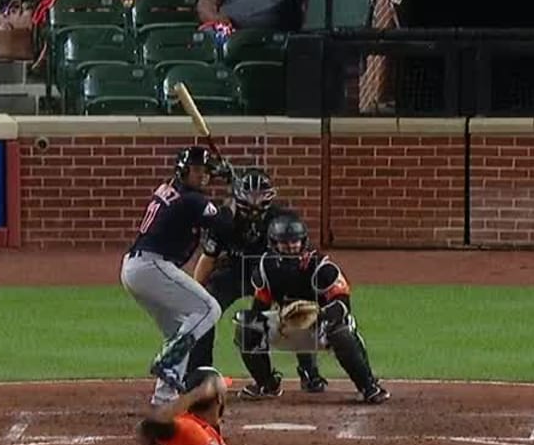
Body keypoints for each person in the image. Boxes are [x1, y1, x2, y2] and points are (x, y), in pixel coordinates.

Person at [187, 168, 327, 394]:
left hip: (272, 274)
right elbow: (209, 258)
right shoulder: (223, 219)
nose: (254, 204)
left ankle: (309, 371)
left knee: (296, 310)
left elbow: (304, 258)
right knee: (204, 310)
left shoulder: (282, 220)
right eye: (250, 198)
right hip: (234, 273)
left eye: (259, 197)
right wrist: (195, 292)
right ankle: (199, 373)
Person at [233, 211, 389, 404]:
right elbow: (260, 306)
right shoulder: (266, 267)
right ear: (273, 244)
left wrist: (321, 316)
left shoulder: (321, 266)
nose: (291, 247)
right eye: (284, 242)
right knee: (247, 325)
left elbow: (342, 302)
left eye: (295, 241)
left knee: (340, 330)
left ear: (303, 241)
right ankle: (266, 384)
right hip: (286, 327)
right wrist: (254, 318)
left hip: (321, 327)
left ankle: (368, 386)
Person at [121, 146, 227, 405]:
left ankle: (164, 399)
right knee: (209, 309)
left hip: (137, 269)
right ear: (183, 170)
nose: (203, 176)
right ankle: (167, 364)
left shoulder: (171, 189)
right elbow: (223, 225)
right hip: (152, 267)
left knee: (179, 332)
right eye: (198, 170)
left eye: (206, 171)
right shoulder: (191, 199)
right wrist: (235, 193)